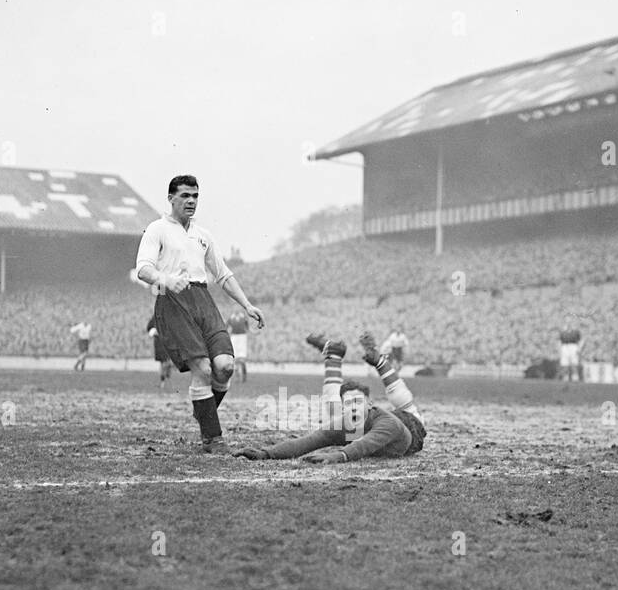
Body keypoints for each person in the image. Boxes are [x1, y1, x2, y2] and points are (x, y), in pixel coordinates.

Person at [134, 175, 265, 453]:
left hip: (203, 299)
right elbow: (143, 268)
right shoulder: (157, 229)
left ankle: (203, 411)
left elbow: (224, 275)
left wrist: (247, 305)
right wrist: (167, 280)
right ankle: (212, 439)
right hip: (172, 301)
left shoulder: (203, 236)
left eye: (195, 195)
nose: (191, 201)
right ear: (171, 198)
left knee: (225, 366)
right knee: (203, 369)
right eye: (184, 195)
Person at [233, 329, 427, 464]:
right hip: (364, 426)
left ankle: (379, 362)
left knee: (406, 404)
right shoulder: (346, 419)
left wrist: (339, 456)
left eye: (358, 402)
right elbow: (308, 441)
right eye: (348, 403)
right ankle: (334, 357)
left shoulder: (388, 424)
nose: (352, 406)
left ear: (369, 404)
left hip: (412, 425)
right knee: (334, 414)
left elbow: (364, 446)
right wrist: (266, 454)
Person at [146, 315, 172, 389]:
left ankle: (164, 381)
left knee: (167, 362)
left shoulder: (171, 315)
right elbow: (149, 327)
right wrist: (154, 332)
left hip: (170, 342)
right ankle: (163, 382)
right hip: (160, 343)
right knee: (163, 362)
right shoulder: (156, 316)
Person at [226, 308, 250, 383]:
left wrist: (255, 332)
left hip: (242, 337)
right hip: (234, 337)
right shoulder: (231, 318)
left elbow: (248, 328)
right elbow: (226, 328)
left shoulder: (244, 317)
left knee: (242, 358)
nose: (236, 309)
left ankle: (244, 375)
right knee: (235, 358)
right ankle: (237, 376)